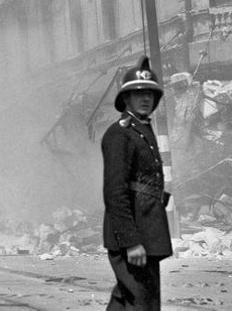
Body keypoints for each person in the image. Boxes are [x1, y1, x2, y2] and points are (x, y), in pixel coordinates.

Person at [102, 56, 173, 310]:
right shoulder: (119, 134)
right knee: (142, 304)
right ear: (127, 98)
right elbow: (115, 192)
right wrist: (130, 241)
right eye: (138, 93)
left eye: (150, 94)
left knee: (128, 300)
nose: (146, 98)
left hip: (147, 229)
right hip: (132, 234)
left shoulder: (142, 130)